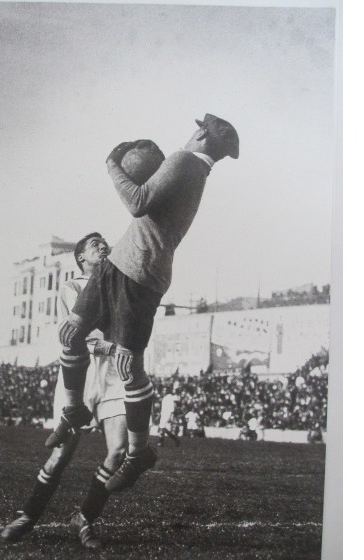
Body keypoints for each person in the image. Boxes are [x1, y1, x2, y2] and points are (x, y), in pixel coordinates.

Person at [49, 114, 239, 493]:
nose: (191, 131)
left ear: (202, 134)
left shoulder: (184, 161)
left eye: (197, 127)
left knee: (126, 364)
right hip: (120, 265)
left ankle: (138, 453)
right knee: (71, 332)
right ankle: (73, 408)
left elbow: (138, 202)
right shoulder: (192, 170)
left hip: (139, 276)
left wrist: (112, 166)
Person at [1, 232, 128, 549]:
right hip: (81, 372)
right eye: (95, 244)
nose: (103, 246)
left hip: (113, 373)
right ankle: (28, 515)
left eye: (104, 243)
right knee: (61, 455)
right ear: (81, 257)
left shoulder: (120, 286)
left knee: (119, 450)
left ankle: (84, 518)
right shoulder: (72, 287)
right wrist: (112, 344)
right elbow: (79, 333)